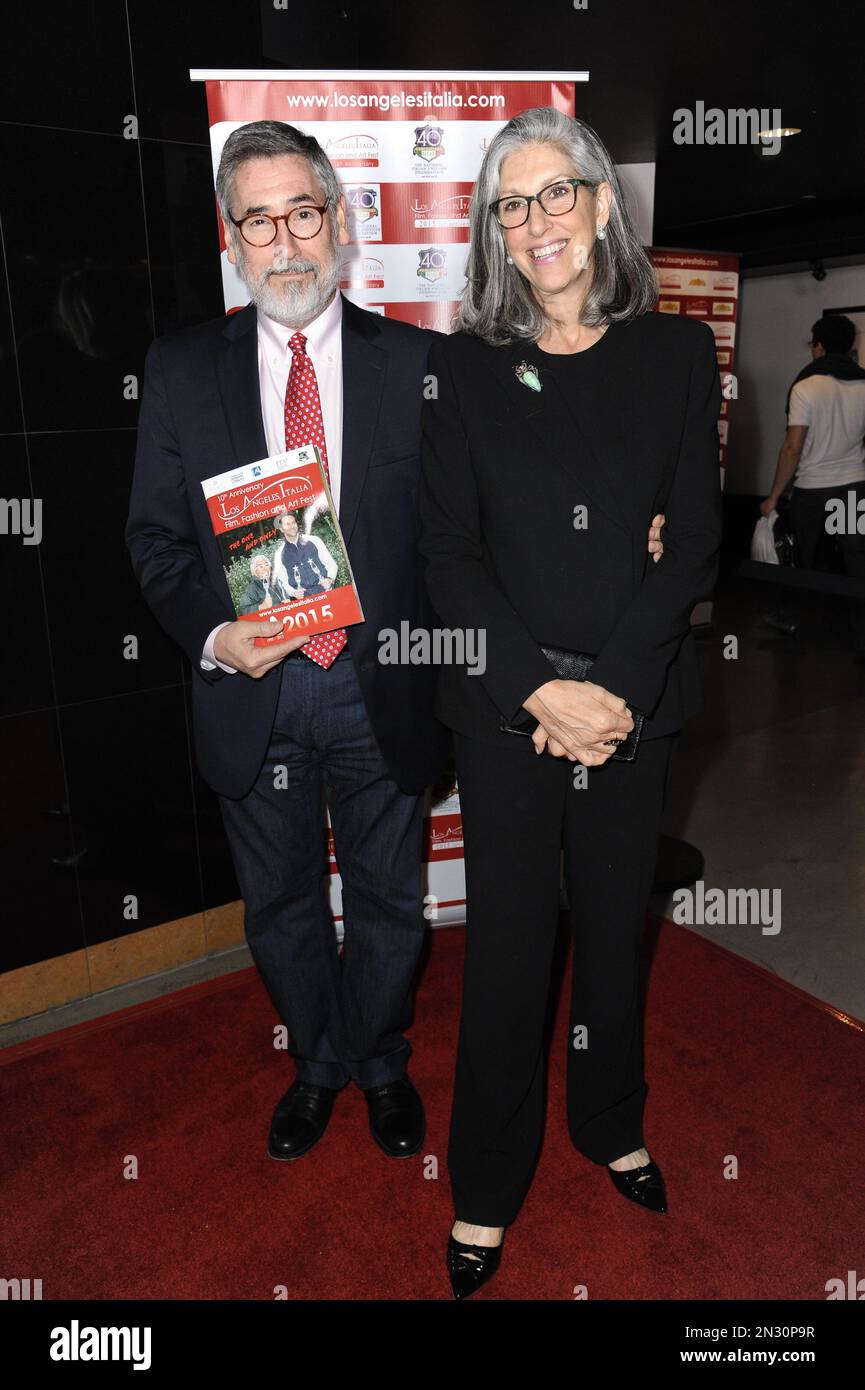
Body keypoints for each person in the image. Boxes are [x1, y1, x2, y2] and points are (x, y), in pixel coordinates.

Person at [418, 106, 724, 1299]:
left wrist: (611, 694)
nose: (536, 221)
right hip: (507, 707)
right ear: (495, 231)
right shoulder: (463, 365)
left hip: (633, 700)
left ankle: (609, 1120)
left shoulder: (672, 355)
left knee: (612, 931)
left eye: (556, 193)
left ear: (602, 202)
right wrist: (542, 686)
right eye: (511, 203)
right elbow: (448, 554)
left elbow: (689, 544)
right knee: (506, 951)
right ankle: (486, 1185)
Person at [127, 120, 450, 1167]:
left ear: (339, 219)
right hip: (253, 687)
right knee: (279, 904)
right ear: (233, 236)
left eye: (302, 211)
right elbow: (155, 539)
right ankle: (317, 1064)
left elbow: (461, 539)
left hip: (379, 688)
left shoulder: (420, 366)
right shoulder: (179, 371)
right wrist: (220, 632)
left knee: (393, 895)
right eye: (257, 220)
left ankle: (382, 1060)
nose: (284, 241)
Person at [761, 314, 865, 659]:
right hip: (853, 489)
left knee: (801, 562)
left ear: (818, 346)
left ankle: (799, 629)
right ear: (850, 346)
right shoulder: (864, 385)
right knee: (856, 564)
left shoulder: (806, 387)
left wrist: (774, 496)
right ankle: (860, 638)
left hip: (813, 491)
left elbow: (793, 447)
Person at [271, 508, 337, 597]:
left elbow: (331, 563)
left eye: (293, 522)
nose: (292, 526)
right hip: (304, 600)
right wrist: (293, 592)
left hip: (325, 592)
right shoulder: (279, 554)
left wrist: (330, 579)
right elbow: (283, 581)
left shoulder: (315, 540)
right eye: (287, 524)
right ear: (281, 529)